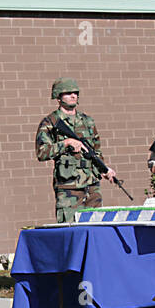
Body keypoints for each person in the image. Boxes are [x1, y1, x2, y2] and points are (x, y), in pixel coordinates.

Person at [35, 77, 116, 222]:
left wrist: (105, 169)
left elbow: (96, 151)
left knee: (96, 228)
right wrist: (65, 143)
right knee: (70, 229)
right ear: (58, 97)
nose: (73, 96)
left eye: (75, 93)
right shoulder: (51, 122)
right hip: (69, 187)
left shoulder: (87, 121)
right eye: (68, 93)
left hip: (92, 185)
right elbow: (42, 152)